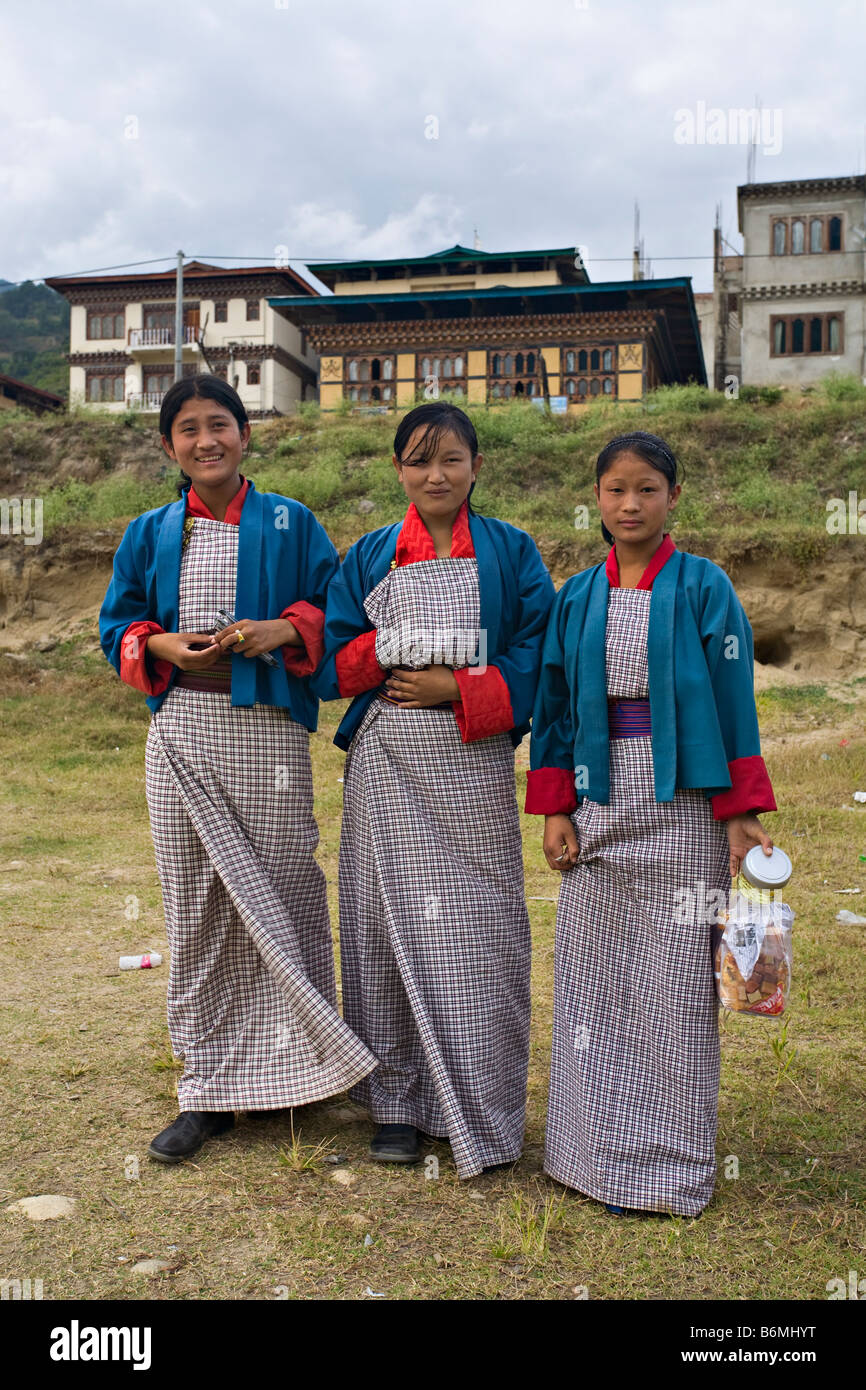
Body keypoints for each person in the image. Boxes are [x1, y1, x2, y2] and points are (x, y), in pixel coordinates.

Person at [99, 374, 376, 1163]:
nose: (205, 441)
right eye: (187, 429)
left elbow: (336, 608)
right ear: (169, 445)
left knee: (285, 890)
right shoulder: (148, 532)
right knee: (197, 906)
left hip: (267, 733)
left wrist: (284, 629)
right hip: (182, 731)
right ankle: (209, 1088)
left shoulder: (292, 522)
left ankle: (303, 1069)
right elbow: (118, 623)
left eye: (218, 424)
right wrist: (159, 643)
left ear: (245, 435)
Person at [526, 430, 776, 1217]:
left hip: (683, 806)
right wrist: (556, 807)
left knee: (672, 983)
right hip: (598, 801)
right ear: (597, 499)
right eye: (615, 489)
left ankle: (666, 1168)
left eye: (646, 489)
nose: (629, 504)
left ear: (673, 496)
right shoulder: (576, 596)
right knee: (593, 980)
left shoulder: (705, 587)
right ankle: (589, 1155)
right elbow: (554, 709)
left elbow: (733, 701)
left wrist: (739, 813)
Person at [314, 401, 555, 1177]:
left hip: (472, 764)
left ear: (477, 466)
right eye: (419, 461)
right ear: (398, 471)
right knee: (381, 928)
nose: (436, 475)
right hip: (385, 761)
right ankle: (395, 1104)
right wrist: (391, 650)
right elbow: (330, 661)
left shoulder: (512, 552)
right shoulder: (370, 554)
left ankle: (478, 1107)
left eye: (451, 458)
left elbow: (540, 650)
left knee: (480, 934)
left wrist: (459, 685)